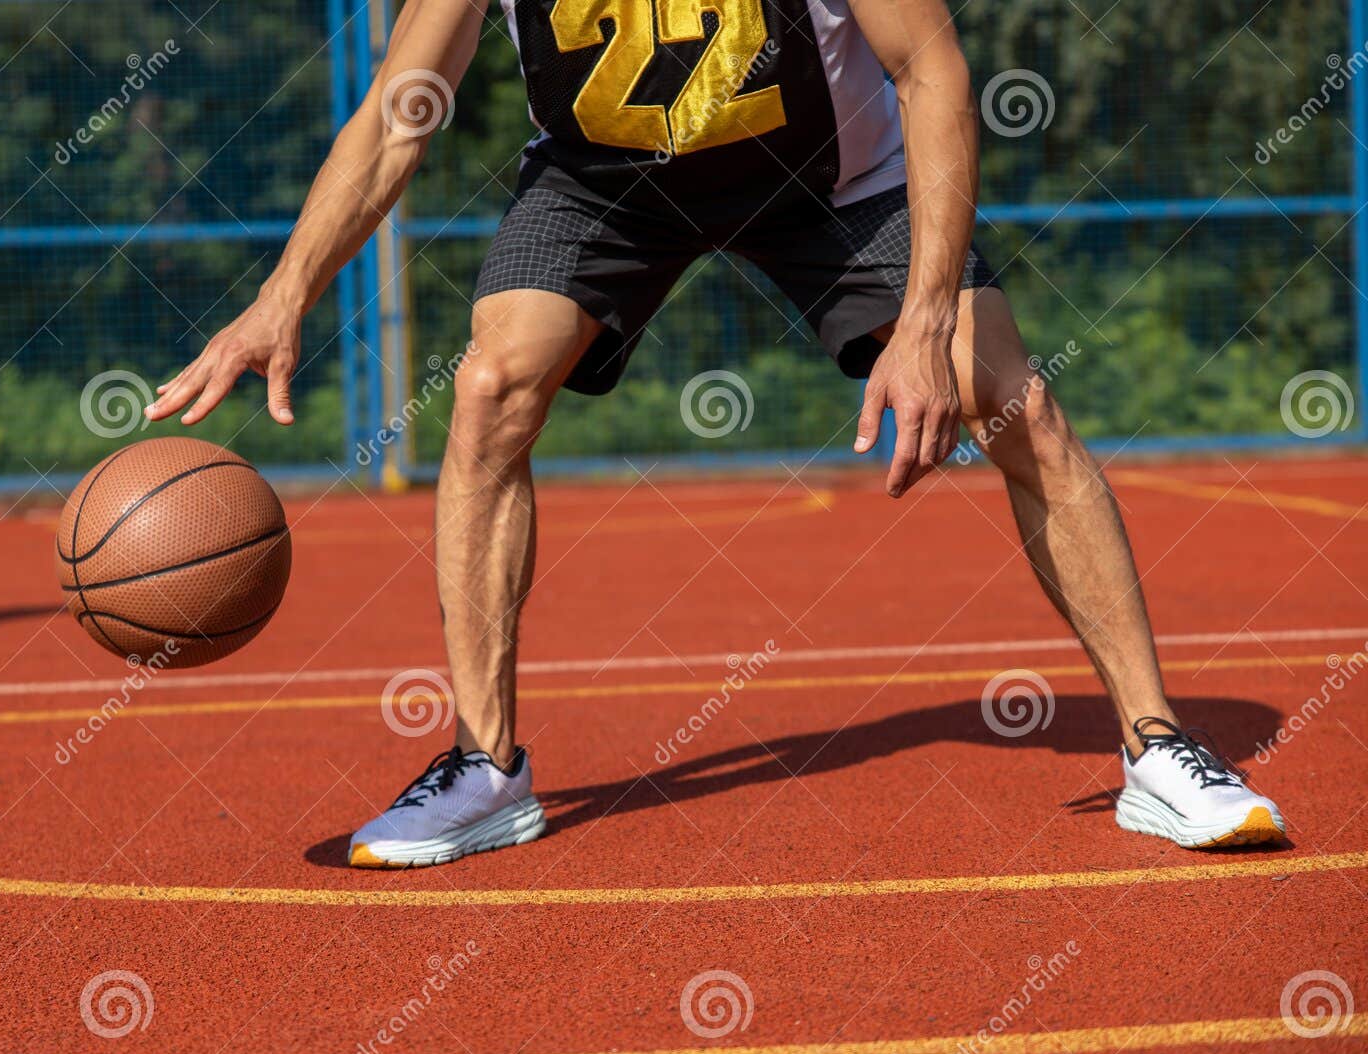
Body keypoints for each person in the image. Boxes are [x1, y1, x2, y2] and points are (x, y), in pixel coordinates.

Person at [149, 0, 1286, 866]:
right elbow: (400, 110)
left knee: (1017, 403)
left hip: (835, 181)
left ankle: (1153, 746)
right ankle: (487, 768)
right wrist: (282, 295)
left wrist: (928, 316)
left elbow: (928, 67)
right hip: (607, 184)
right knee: (492, 381)